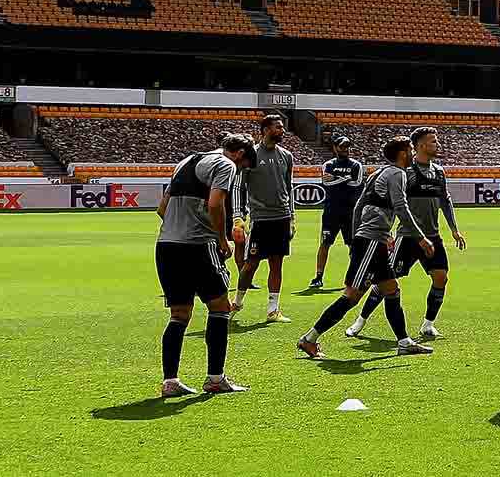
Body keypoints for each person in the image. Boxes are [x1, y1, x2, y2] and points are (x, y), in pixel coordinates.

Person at [297, 136, 436, 360]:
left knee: (391, 289)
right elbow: (401, 207)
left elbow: (359, 206)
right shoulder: (397, 174)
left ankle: (403, 341)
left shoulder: (377, 174)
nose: (412, 154)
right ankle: (309, 339)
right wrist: (421, 238)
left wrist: (357, 239)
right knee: (351, 296)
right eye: (410, 149)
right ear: (402, 153)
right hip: (371, 242)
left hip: (373, 241)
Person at [155, 132, 255, 396]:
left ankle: (170, 382)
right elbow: (215, 203)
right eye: (245, 166)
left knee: (178, 315)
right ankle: (215, 378)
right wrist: (222, 239)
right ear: (241, 155)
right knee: (220, 307)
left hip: (167, 246)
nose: (241, 171)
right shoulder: (225, 164)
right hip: (198, 245)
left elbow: (161, 208)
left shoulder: (185, 161)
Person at [348, 125, 464, 341]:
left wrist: (454, 229)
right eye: (432, 141)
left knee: (441, 277)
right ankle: (360, 320)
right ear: (419, 146)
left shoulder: (439, 172)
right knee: (385, 283)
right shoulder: (405, 172)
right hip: (407, 237)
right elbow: (396, 206)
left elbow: (445, 201)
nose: (436, 144)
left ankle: (428, 325)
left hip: (432, 236)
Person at [230, 114, 297, 323]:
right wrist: (237, 216)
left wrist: (292, 217)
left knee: (277, 264)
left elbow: (289, 187)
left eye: (282, 127)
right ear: (266, 129)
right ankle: (237, 303)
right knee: (251, 264)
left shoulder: (286, 155)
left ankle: (273, 310)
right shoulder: (252, 155)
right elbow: (239, 186)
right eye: (278, 127)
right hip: (261, 218)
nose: (282, 130)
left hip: (282, 217)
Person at [306, 134, 362, 291]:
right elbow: (326, 182)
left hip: (351, 212)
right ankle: (318, 277)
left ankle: (354, 275)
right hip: (331, 212)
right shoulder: (328, 164)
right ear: (335, 147)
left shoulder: (356, 165)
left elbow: (356, 183)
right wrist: (345, 178)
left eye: (347, 146)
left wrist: (337, 178)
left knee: (353, 245)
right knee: (325, 243)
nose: (346, 149)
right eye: (342, 146)